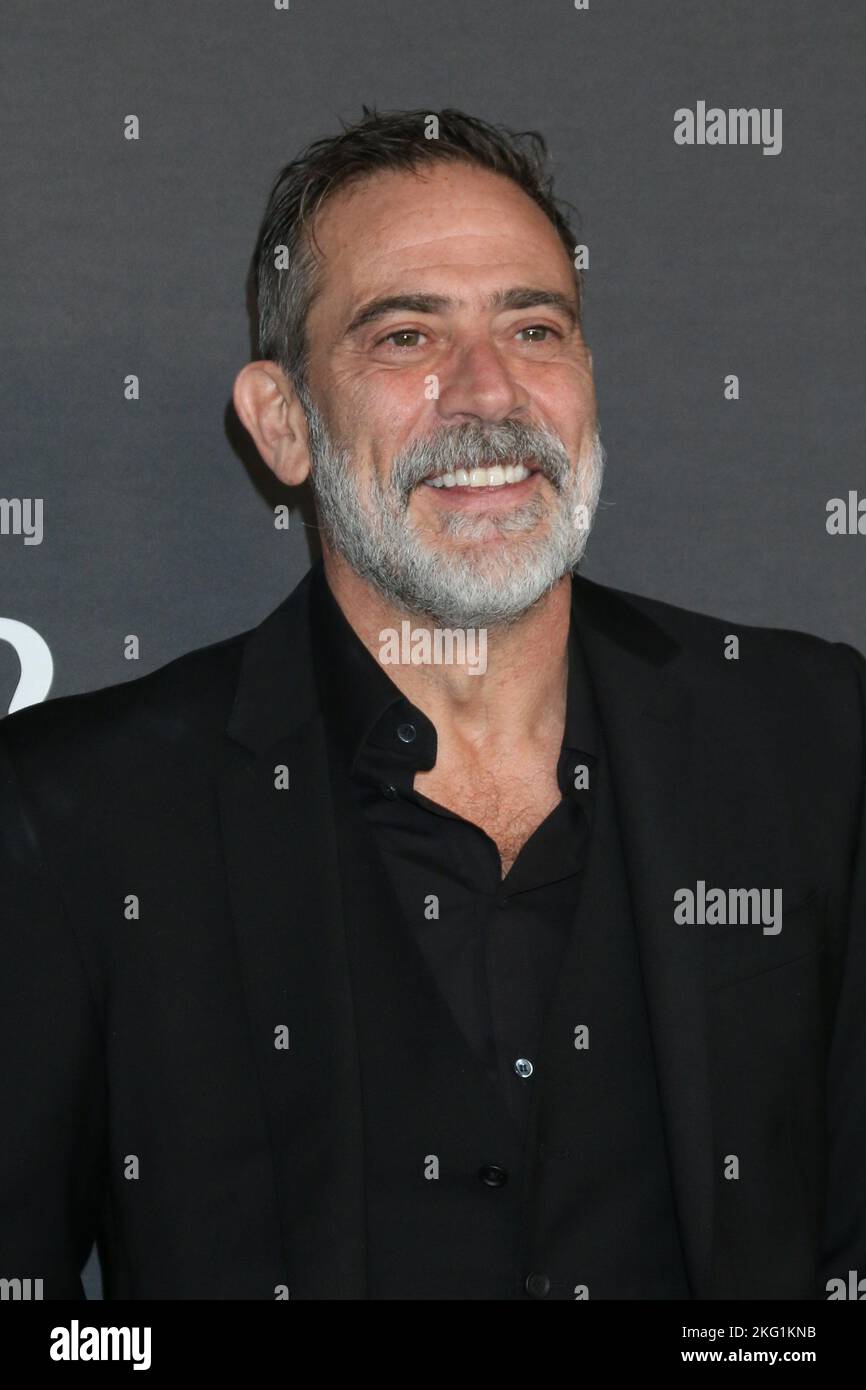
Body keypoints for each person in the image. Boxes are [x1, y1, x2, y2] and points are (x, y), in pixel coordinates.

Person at [1, 108, 863, 1301]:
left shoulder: (812, 738)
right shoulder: (74, 812)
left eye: (534, 325)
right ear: (284, 423)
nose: (489, 392)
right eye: (406, 335)